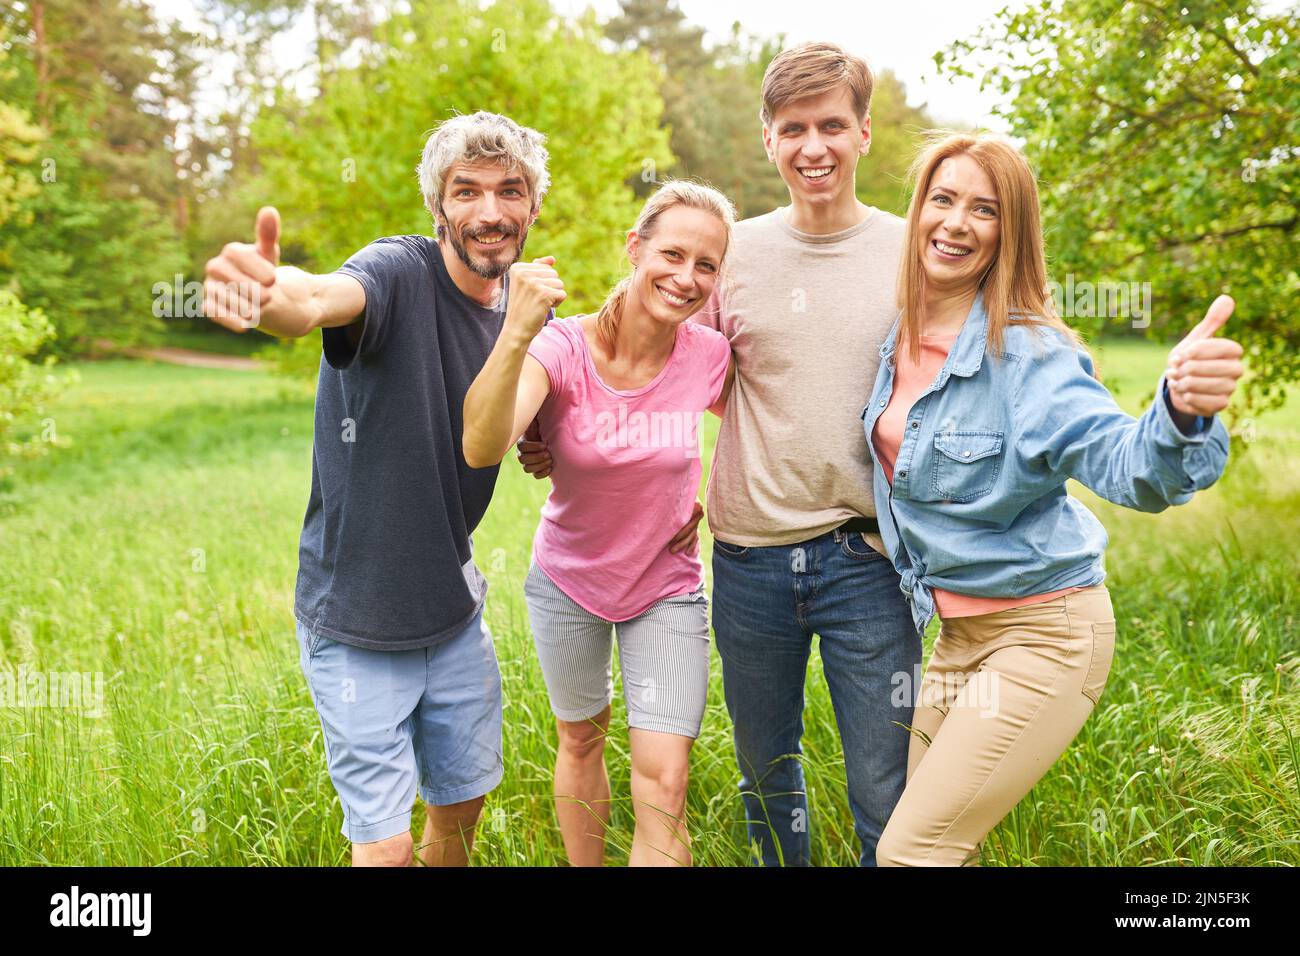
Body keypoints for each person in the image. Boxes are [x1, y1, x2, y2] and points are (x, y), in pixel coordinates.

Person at [517, 41, 921, 867]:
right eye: (794, 128)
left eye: (833, 126)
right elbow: (648, 363)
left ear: (865, 133)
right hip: (749, 562)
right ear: (769, 139)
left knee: (886, 783)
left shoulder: (911, 250)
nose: (815, 146)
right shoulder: (733, 257)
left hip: (868, 555)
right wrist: (544, 427)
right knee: (767, 780)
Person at [865, 132, 1243, 866]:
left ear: (1011, 234)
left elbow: (1133, 468)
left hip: (1043, 637)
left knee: (911, 853)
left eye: (984, 209)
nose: (955, 222)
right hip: (953, 639)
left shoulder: (1029, 355)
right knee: (944, 848)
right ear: (915, 212)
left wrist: (1183, 411)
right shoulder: (898, 336)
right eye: (942, 199)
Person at [202, 111, 559, 867]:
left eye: (510, 191)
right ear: (438, 207)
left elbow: (517, 416)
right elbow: (316, 300)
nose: (490, 212)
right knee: (386, 848)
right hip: (358, 617)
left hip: (452, 610)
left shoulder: (519, 318)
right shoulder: (398, 272)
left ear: (533, 206)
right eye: (467, 192)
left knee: (460, 809)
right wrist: (271, 297)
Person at [462, 181, 737, 866]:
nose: (686, 277)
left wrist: (714, 496)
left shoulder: (709, 356)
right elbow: (485, 443)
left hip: (666, 585)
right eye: (672, 254)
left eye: (706, 265)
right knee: (582, 738)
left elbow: (761, 437)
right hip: (569, 580)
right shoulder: (561, 347)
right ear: (635, 246)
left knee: (666, 779)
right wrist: (518, 330)